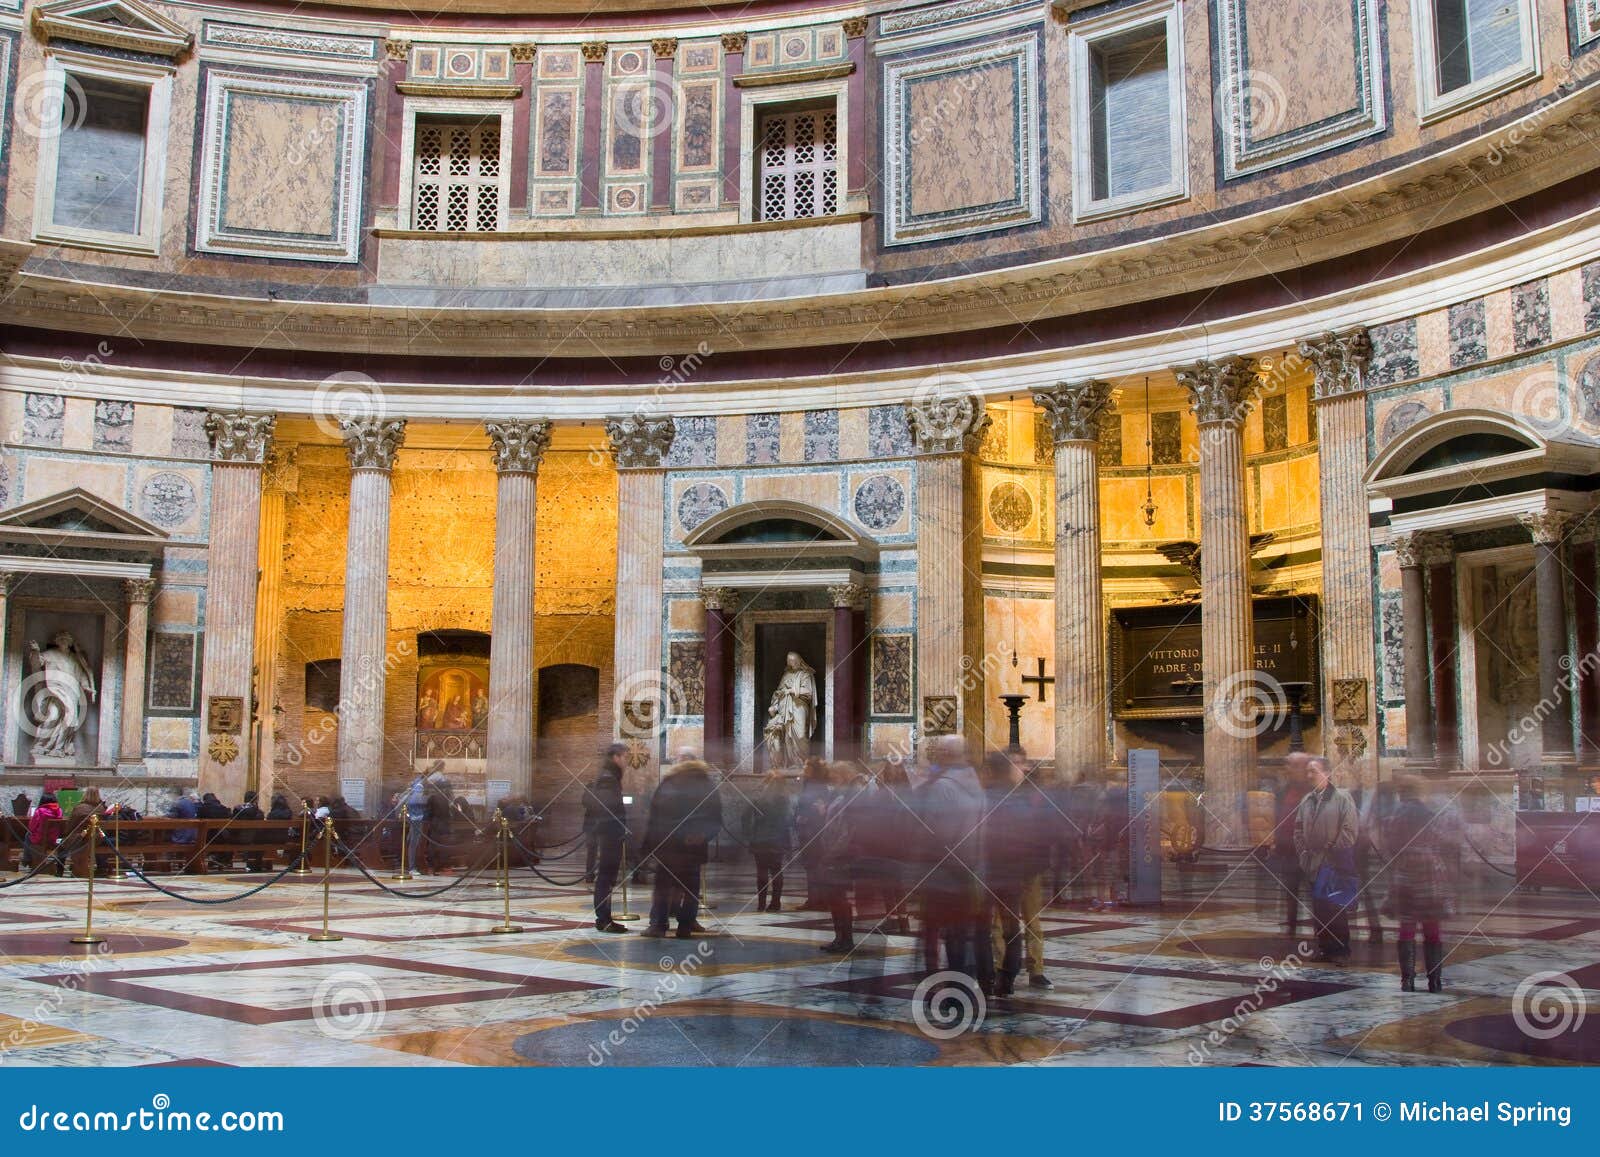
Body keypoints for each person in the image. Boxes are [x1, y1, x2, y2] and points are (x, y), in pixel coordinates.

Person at [913, 735, 984, 979]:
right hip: (971, 868)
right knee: (961, 931)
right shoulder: (976, 784)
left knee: (934, 927)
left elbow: (935, 832)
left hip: (943, 869)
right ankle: (966, 979)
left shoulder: (943, 787)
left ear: (945, 754)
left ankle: (936, 980)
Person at [1382, 778, 1455, 992]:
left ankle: (1408, 980)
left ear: (1403, 793)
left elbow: (1390, 844)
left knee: (1407, 925)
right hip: (1429, 872)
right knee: (1432, 925)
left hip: (1405, 873)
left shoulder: (1395, 817)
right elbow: (1442, 840)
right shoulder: (1429, 814)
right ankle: (1435, 981)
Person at [641, 757, 723, 938]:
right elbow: (715, 818)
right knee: (691, 889)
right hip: (693, 846)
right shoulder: (707, 785)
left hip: (668, 847)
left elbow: (655, 816)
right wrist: (702, 835)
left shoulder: (669, 782)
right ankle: (685, 926)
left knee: (663, 887)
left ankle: (658, 925)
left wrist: (649, 845)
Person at [1294, 756, 1358, 963]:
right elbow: (1297, 828)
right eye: (1308, 771)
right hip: (1312, 862)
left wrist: (1334, 848)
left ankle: (1341, 951)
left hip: (1333, 862)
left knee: (1335, 908)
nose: (1310, 775)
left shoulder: (1342, 798)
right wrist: (1303, 852)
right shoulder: (1307, 800)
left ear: (1327, 773)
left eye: (1314, 770)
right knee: (1319, 909)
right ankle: (1324, 948)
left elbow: (1350, 829)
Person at [814, 762, 863, 953]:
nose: (831, 778)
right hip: (833, 851)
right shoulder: (840, 793)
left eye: (834, 775)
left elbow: (847, 830)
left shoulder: (851, 794)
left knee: (839, 898)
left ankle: (846, 939)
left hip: (840, 855)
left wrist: (833, 853)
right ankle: (839, 937)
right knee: (834, 897)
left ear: (842, 775)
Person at [584, 744, 631, 933]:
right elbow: (607, 806)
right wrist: (618, 826)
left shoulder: (609, 777)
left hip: (610, 832)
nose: (626, 761)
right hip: (610, 834)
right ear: (616, 757)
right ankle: (603, 918)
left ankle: (605, 917)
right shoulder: (608, 778)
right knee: (605, 877)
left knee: (608, 877)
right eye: (625, 757)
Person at [1274, 753, 1313, 933]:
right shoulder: (1283, 791)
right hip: (1288, 852)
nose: (1289, 769)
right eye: (1288, 765)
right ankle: (1290, 932)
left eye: (1294, 765)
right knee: (1290, 893)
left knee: (1316, 896)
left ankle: (1323, 937)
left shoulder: (1315, 791)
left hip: (1312, 853)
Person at [748, 770, 793, 913]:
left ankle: (761, 903)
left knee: (761, 871)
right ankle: (775, 902)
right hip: (777, 840)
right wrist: (788, 844)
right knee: (776, 870)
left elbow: (745, 817)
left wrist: (750, 834)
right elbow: (788, 822)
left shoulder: (759, 799)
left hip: (760, 840)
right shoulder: (785, 800)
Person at [793, 758, 832, 910]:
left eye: (806, 767)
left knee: (816, 865)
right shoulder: (808, 785)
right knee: (810, 866)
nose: (803, 769)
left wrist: (805, 816)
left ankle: (820, 900)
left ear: (813, 770)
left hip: (814, 831)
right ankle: (814, 899)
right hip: (807, 830)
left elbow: (820, 808)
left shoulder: (818, 787)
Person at [65, 787, 106, 879]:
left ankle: (61, 869)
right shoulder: (101, 808)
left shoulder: (79, 808)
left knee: (66, 840)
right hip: (97, 839)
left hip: (80, 838)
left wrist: (66, 833)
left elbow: (70, 826)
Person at [26, 791, 64, 875]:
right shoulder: (59, 811)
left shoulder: (39, 811)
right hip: (54, 839)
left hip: (40, 839)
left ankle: (27, 860)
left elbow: (31, 827)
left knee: (27, 835)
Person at [234, 790, 267, 872]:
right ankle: (257, 864)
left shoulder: (237, 809)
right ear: (256, 800)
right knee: (260, 839)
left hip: (238, 838)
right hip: (254, 838)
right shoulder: (259, 812)